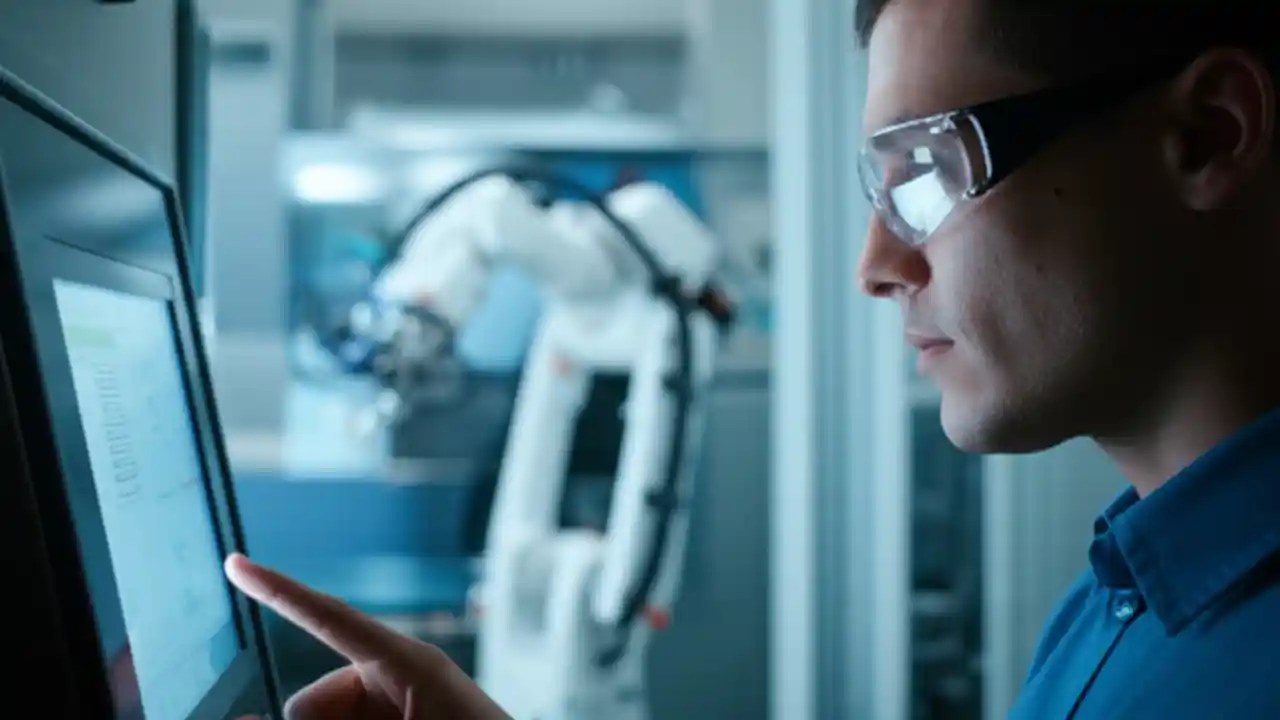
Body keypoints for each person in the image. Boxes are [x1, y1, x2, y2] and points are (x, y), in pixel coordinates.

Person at [228, 1, 1280, 718]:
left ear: (1205, 135)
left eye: (928, 168)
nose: (875, 264)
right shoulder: (1122, 591)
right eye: (878, 188)